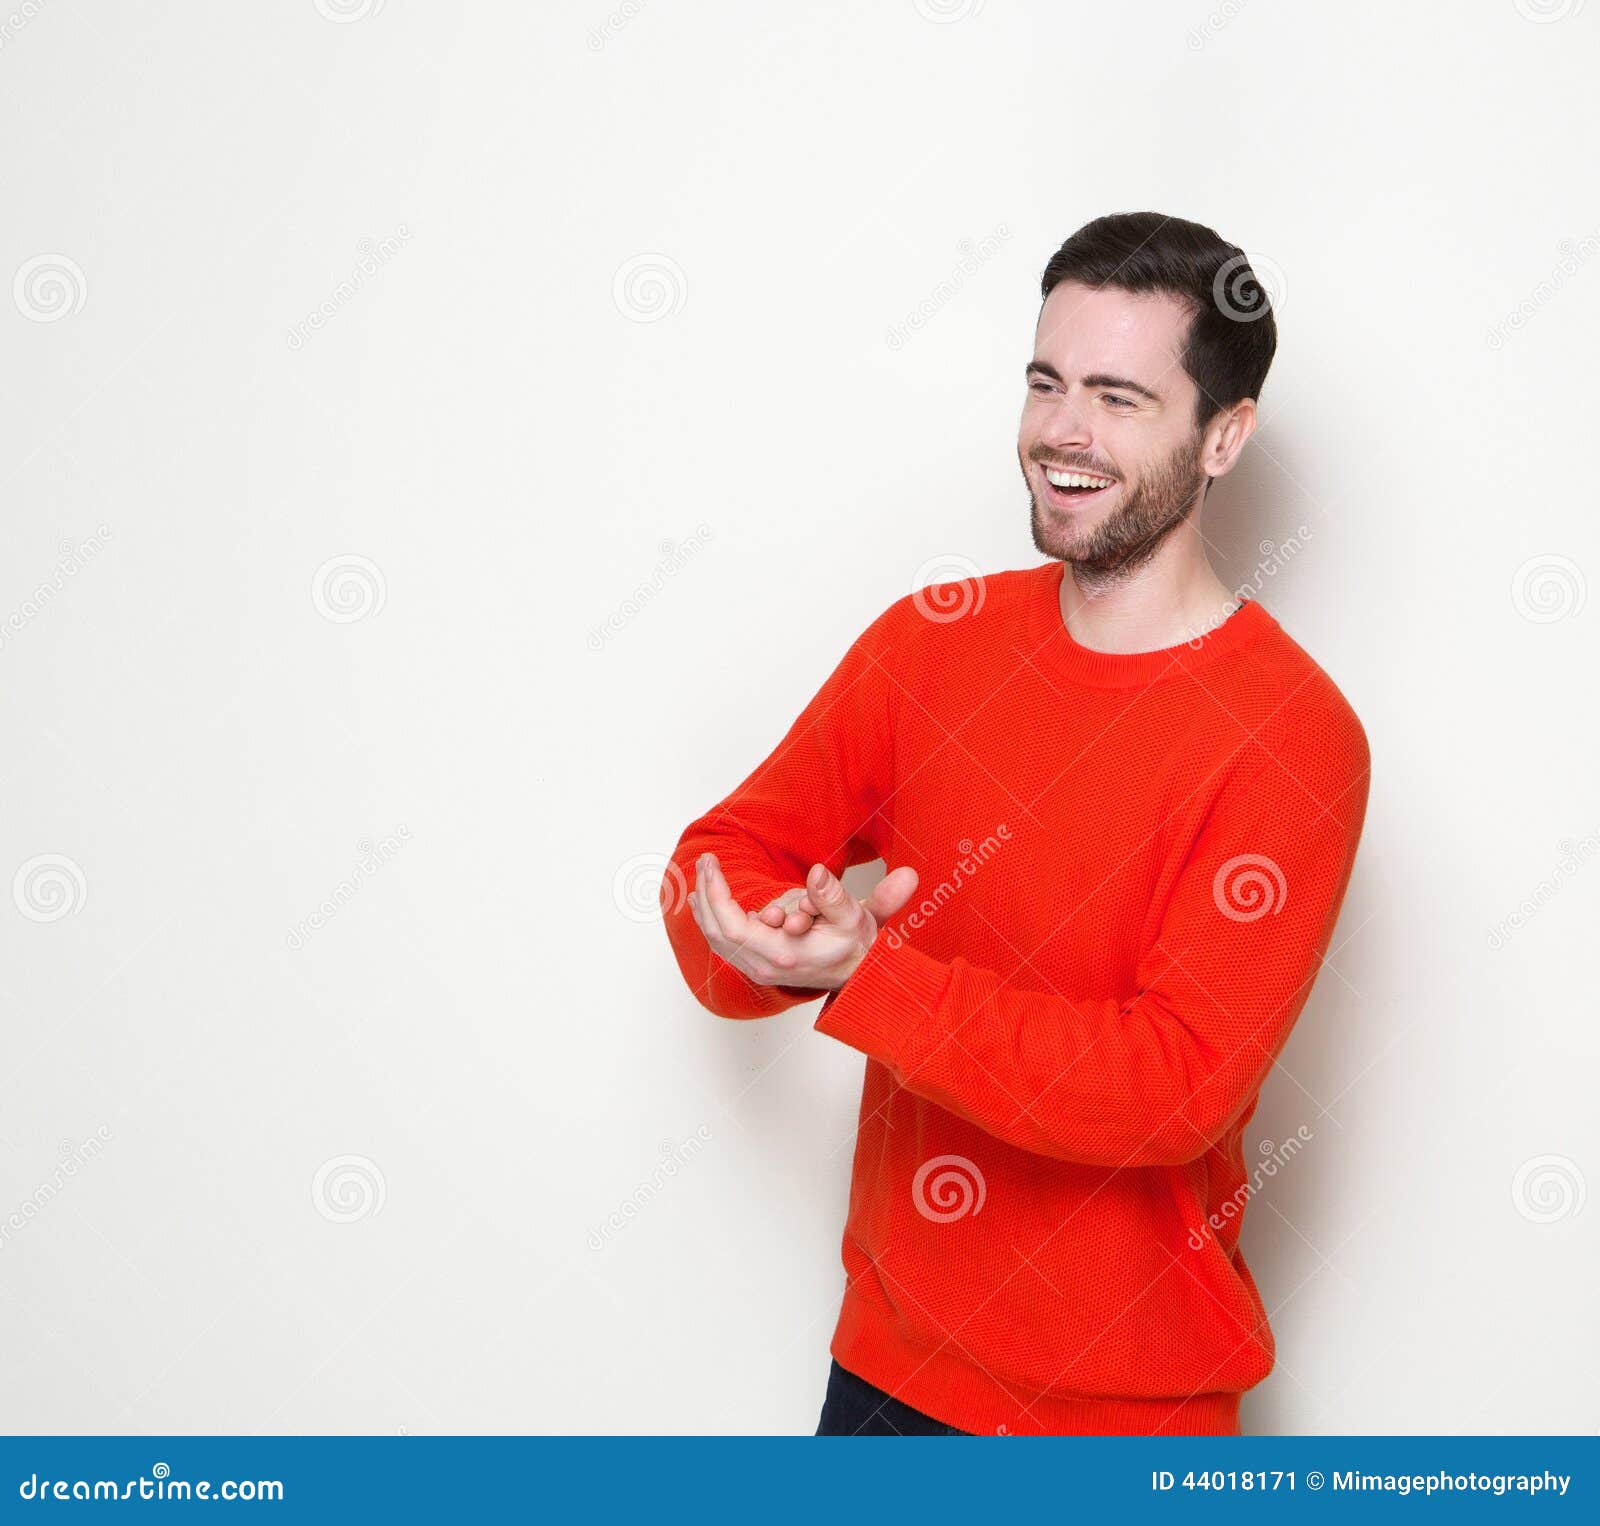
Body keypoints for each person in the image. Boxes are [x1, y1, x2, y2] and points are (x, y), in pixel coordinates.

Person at [659, 211, 1371, 1437]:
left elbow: (1174, 1086)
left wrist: (873, 978)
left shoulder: (1292, 734)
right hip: (883, 1374)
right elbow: (715, 858)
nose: (1062, 433)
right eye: (1045, 383)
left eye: (1118, 397)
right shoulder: (931, 640)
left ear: (1222, 436)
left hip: (1121, 1420)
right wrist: (766, 943)